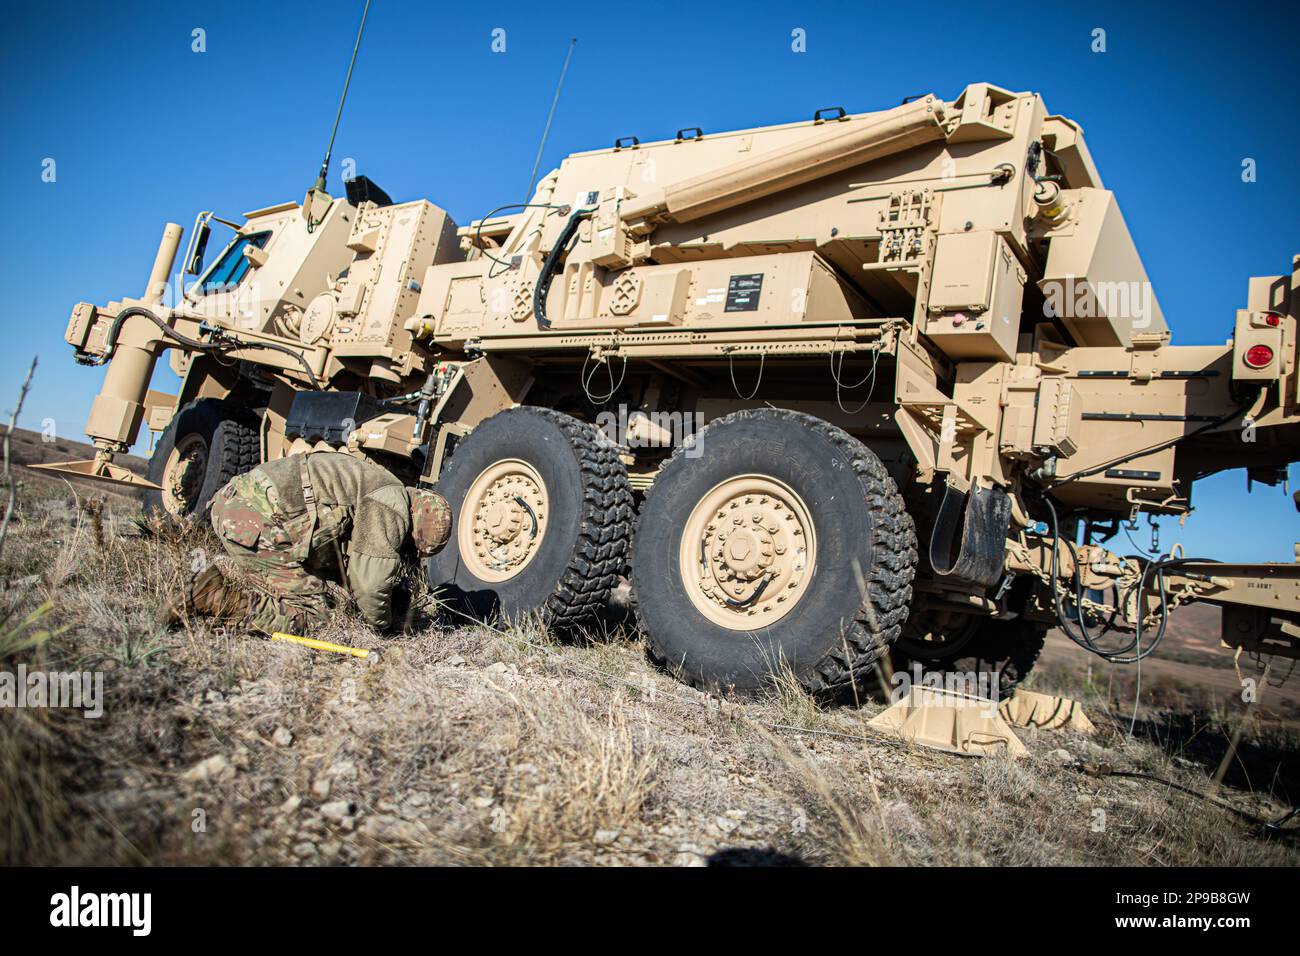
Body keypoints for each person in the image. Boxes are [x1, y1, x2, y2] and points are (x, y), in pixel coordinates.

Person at [166, 451, 451, 635]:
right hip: (253, 517)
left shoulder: (377, 485)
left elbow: (338, 558)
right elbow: (368, 585)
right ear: (416, 520)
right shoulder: (392, 501)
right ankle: (214, 596)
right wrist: (384, 623)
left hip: (239, 506)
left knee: (314, 593)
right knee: (316, 618)